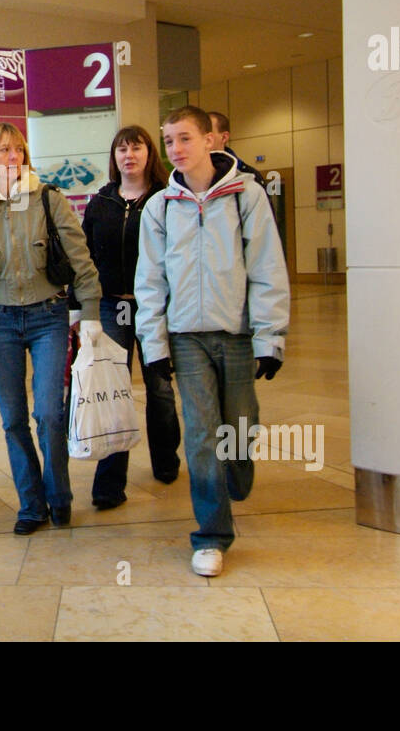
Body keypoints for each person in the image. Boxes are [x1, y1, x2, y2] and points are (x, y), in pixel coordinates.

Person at [135, 105, 289, 578]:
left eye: (184, 138)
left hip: (237, 334)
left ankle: (237, 472)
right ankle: (211, 534)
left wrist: (270, 337)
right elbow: (151, 280)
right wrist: (154, 346)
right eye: (169, 141)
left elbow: (266, 268)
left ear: (209, 140)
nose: (176, 149)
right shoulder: (159, 206)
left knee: (240, 425)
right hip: (186, 338)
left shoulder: (247, 196)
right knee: (202, 435)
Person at [0, 122, 102, 535]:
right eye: (3, 151)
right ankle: (31, 504)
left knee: (50, 413)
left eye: (18, 150)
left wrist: (89, 313)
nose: (13, 157)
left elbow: (80, 258)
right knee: (13, 419)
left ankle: (59, 496)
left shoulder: (48, 199)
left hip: (48, 316)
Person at [77, 125, 182, 510]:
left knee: (159, 388)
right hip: (111, 305)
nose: (128, 155)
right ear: (114, 157)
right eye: (121, 149)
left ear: (149, 154)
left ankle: (166, 460)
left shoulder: (166, 198)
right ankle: (109, 484)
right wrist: (80, 307)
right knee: (114, 389)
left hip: (154, 306)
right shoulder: (101, 201)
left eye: (136, 147)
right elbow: (84, 256)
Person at [206, 111, 266, 186]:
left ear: (224, 137)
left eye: (207, 133)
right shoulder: (190, 174)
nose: (202, 138)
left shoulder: (250, 176)